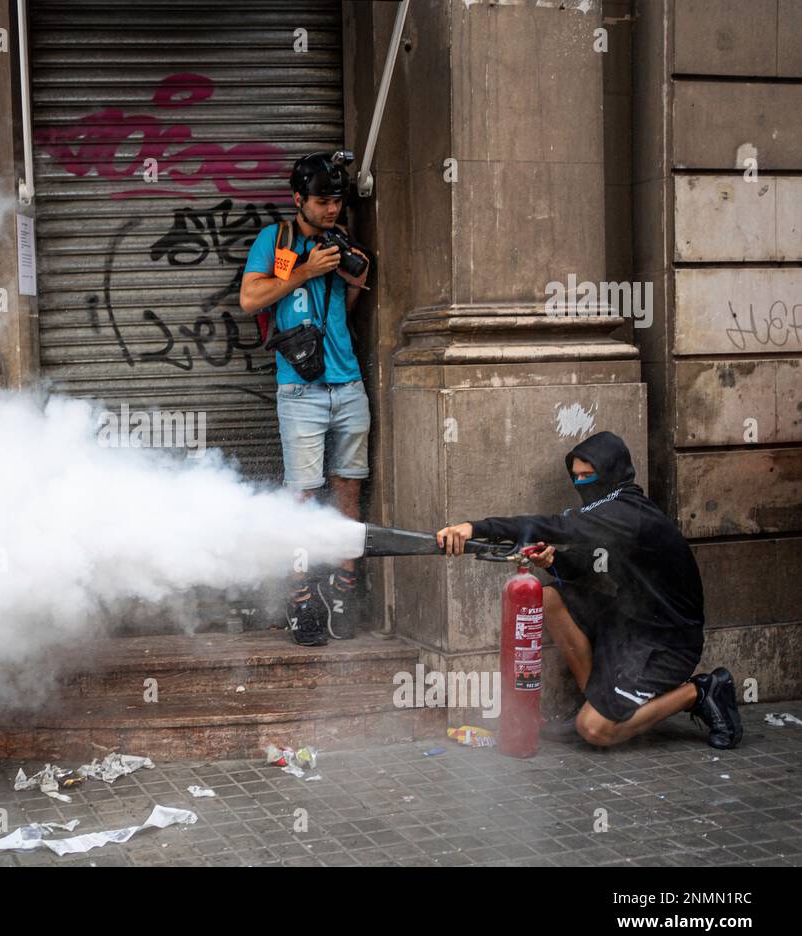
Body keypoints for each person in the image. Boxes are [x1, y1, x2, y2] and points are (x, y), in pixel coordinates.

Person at [434, 431, 743, 750]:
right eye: (577, 476)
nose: (581, 483)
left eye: (589, 475)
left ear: (611, 472)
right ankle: (596, 700)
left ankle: (700, 691)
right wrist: (554, 563)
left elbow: (555, 525)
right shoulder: (608, 513)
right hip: (626, 625)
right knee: (551, 597)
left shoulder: (626, 513)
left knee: (595, 731)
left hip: (664, 642)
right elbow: (594, 570)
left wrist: (476, 528)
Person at [240, 152, 370, 647]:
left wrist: (352, 276)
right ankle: (300, 597)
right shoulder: (275, 241)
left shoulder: (341, 242)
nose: (332, 209)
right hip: (299, 390)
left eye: (337, 200)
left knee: (348, 491)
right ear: (299, 199)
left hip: (349, 382)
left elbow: (347, 307)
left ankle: (343, 588)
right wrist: (305, 269)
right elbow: (251, 300)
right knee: (302, 496)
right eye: (322, 201)